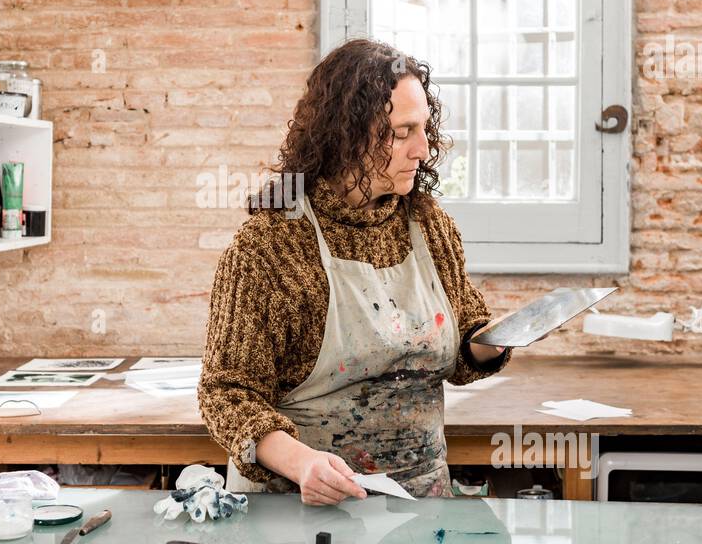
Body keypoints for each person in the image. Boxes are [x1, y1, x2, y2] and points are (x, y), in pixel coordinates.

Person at [198, 38, 511, 503]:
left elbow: (464, 348)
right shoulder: (269, 247)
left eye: (425, 128)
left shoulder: (430, 227)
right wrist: (301, 463)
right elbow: (226, 393)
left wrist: (497, 340)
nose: (423, 149)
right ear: (346, 136)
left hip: (422, 506)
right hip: (301, 507)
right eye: (403, 132)